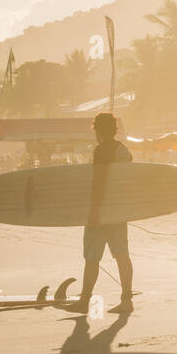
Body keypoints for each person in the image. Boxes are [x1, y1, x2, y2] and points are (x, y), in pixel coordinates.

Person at [66, 113, 135, 314]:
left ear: (98, 130)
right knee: (122, 255)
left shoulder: (102, 150)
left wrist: (94, 211)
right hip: (119, 212)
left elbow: (100, 182)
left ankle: (84, 301)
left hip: (103, 211)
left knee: (92, 257)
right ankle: (126, 300)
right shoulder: (124, 150)